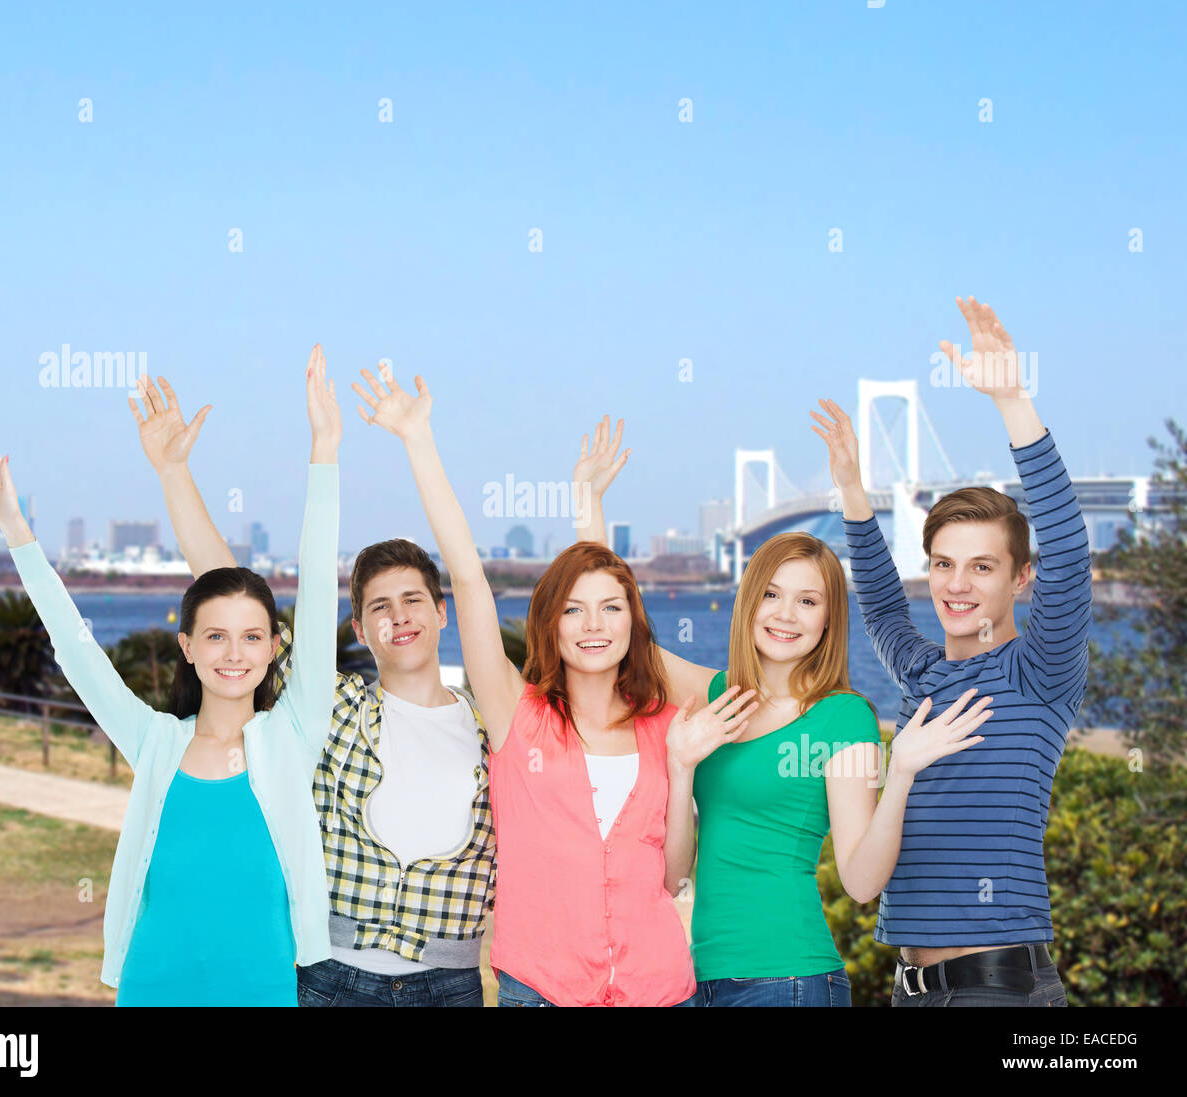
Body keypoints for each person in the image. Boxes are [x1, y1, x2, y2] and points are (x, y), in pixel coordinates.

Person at [353, 365, 757, 1006]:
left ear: (635, 623)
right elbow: (466, 573)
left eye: (612, 610)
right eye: (573, 610)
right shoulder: (518, 715)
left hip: (660, 990)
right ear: (551, 624)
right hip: (538, 988)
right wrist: (416, 438)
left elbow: (673, 878)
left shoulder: (664, 726)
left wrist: (682, 771)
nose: (594, 626)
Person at [0, 346, 339, 1005]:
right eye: (216, 635)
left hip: (264, 988)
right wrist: (16, 527)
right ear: (187, 647)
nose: (234, 652)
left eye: (252, 636)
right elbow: (78, 651)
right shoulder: (157, 742)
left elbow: (319, 584)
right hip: (152, 985)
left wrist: (325, 450)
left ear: (276, 647)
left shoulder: (294, 735)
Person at [575, 419, 993, 1007]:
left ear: (828, 619)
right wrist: (589, 507)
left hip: (790, 979)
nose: (786, 614)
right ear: (748, 603)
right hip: (698, 978)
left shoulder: (842, 718)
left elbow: (861, 882)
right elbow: (622, 637)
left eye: (808, 600)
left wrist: (899, 773)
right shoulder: (718, 696)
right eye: (771, 594)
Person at [129, 371, 493, 1008]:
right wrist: (173, 473)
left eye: (413, 600)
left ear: (441, 612)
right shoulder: (330, 707)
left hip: (452, 983)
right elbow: (227, 590)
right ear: (359, 627)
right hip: (332, 978)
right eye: (380, 606)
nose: (399, 616)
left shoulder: (493, 725)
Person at [814, 295, 1092, 1007]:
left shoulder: (1040, 670)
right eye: (942, 563)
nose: (956, 584)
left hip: (998, 988)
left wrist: (1012, 402)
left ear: (1020, 578)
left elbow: (1068, 547)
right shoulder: (919, 671)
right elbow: (877, 598)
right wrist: (852, 489)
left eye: (982, 565)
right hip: (912, 989)